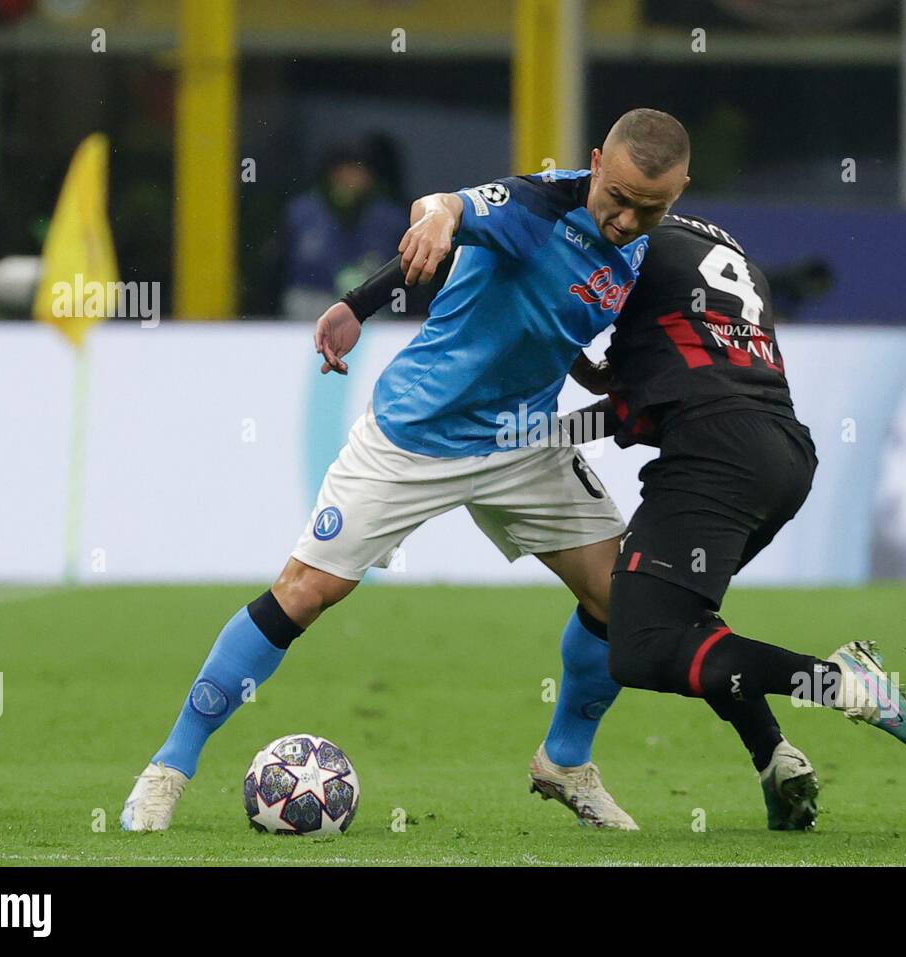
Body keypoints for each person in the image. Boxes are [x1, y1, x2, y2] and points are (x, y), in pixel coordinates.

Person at [121, 108, 691, 832]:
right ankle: (169, 766)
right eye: (618, 199)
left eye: (652, 209)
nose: (626, 221)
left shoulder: (641, 244)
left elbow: (552, 310)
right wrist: (426, 223)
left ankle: (566, 762)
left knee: (622, 598)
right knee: (305, 591)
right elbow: (450, 210)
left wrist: (596, 372)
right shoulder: (539, 204)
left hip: (522, 440)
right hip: (416, 434)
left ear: (678, 193)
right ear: (595, 165)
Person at [567, 211, 906, 829]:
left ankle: (838, 682)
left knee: (641, 647)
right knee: (684, 622)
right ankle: (774, 758)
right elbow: (655, 400)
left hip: (719, 455)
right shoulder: (720, 255)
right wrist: (554, 432)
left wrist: (536, 424)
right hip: (783, 455)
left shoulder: (626, 244)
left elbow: (612, 376)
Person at [280, 142, 405, 322]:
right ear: (333, 173)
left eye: (359, 171)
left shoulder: (390, 216)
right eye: (346, 170)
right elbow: (286, 265)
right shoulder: (302, 212)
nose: (352, 178)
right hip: (312, 297)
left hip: (369, 298)